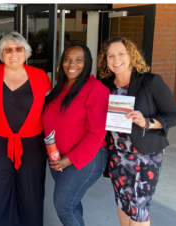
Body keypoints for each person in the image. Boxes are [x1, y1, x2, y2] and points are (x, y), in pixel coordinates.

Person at [97, 37, 176, 225]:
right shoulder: (104, 86)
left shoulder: (150, 81)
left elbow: (174, 116)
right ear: (105, 60)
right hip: (116, 155)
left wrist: (147, 122)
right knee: (122, 202)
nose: (116, 59)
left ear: (131, 56)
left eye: (121, 54)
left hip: (145, 156)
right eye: (110, 55)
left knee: (139, 209)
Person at [0, 31, 51, 225]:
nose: (14, 54)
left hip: (32, 144)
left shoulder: (40, 76)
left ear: (26, 52)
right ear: (1, 54)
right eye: (8, 49)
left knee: (31, 192)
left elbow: (50, 110)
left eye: (18, 49)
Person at [42, 44, 109, 226]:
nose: (72, 64)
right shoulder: (59, 87)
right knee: (72, 203)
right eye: (67, 59)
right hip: (57, 156)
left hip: (85, 159)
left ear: (87, 64)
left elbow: (97, 132)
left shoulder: (95, 89)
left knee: (63, 205)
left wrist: (69, 159)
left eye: (79, 60)